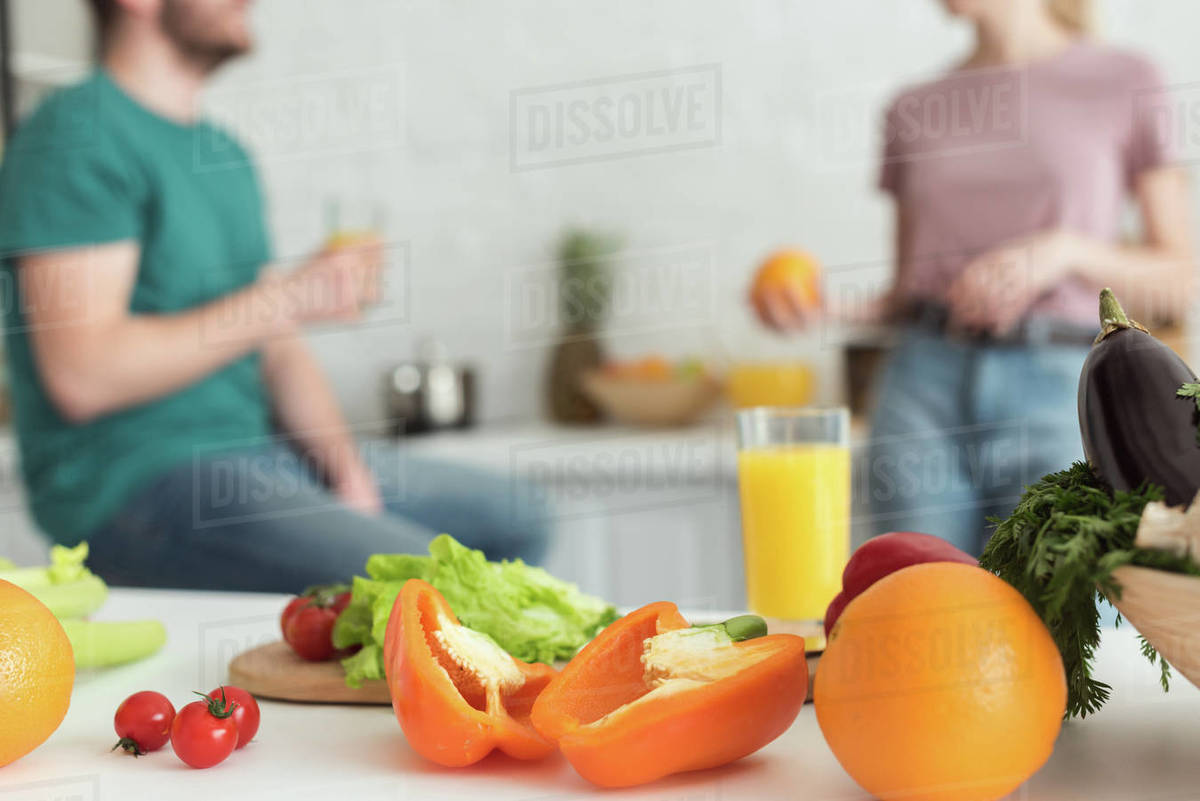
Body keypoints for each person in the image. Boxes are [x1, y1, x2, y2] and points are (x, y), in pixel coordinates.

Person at [0, 0, 549, 591]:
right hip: (136, 483)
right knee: (438, 587)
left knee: (519, 516)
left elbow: (277, 348)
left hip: (257, 459)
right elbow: (84, 376)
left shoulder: (223, 152)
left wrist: (347, 474)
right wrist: (288, 296)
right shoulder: (76, 134)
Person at [753, 0, 1195, 554]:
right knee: (911, 610)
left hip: (1062, 388)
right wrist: (818, 308)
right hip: (922, 386)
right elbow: (903, 293)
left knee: (1069, 615)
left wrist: (1063, 251)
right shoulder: (913, 108)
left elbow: (1181, 276)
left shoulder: (1124, 79)